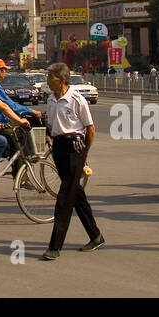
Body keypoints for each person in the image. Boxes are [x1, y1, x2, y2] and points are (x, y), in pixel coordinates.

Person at [41, 62, 103, 260]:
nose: (48, 80)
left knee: (65, 197)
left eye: (51, 76)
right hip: (58, 147)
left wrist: (84, 154)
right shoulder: (51, 99)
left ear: (62, 79)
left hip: (75, 147)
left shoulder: (77, 100)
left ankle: (54, 246)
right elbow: (51, 125)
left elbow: (90, 128)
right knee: (76, 194)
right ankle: (95, 235)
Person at [0, 61, 42, 166]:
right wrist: (32, 111)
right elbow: (9, 105)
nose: (5, 73)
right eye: (4, 70)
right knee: (19, 144)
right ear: (0, 71)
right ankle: (21, 177)